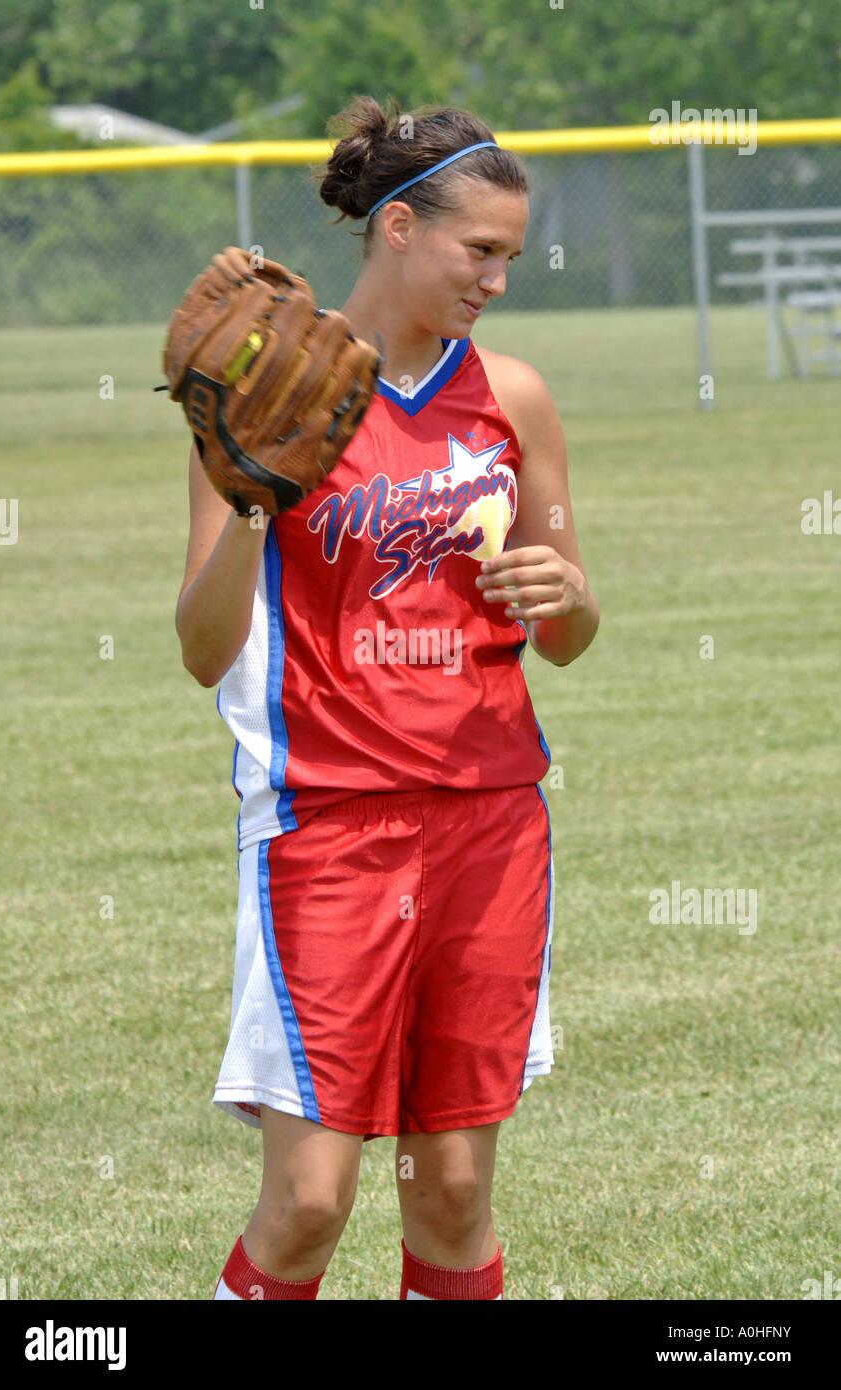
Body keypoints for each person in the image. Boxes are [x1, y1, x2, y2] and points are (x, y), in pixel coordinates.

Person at [175, 94, 599, 1301]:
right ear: (398, 227)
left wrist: (555, 588)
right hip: (327, 825)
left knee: (455, 1191)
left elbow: (571, 634)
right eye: (481, 253)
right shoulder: (266, 393)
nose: (497, 282)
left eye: (511, 258)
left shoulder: (510, 399)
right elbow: (204, 650)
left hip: (488, 820)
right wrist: (253, 500)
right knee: (309, 1202)